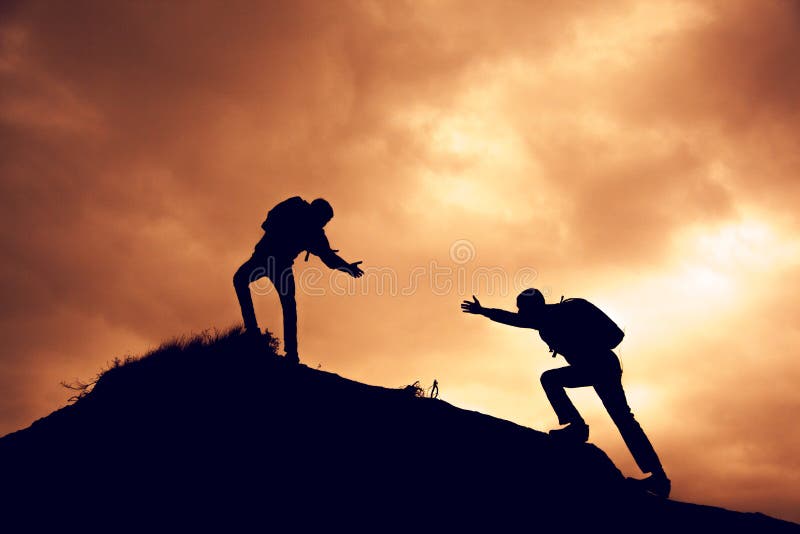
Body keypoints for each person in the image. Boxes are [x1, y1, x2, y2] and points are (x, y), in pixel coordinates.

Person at [460, 288, 670, 498]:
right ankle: (578, 428)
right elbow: (512, 319)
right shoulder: (541, 318)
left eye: (524, 310)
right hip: (592, 367)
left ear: (535, 307)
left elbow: (616, 335)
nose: (522, 315)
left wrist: (589, 348)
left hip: (601, 365)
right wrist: (483, 311)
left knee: (622, 418)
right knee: (556, 382)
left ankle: (657, 477)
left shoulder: (566, 311)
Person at [234, 196, 364, 363]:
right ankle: (253, 331)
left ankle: (291, 353)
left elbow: (329, 258)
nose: (324, 224)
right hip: (264, 258)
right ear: (316, 212)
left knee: (288, 304)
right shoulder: (296, 207)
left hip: (280, 265)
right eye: (324, 220)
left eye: (326, 222)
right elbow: (269, 221)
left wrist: (348, 267)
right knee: (242, 281)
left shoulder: (316, 234)